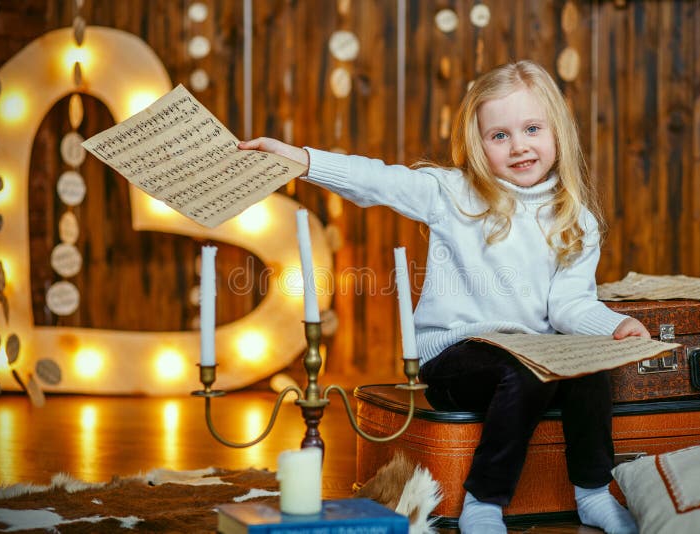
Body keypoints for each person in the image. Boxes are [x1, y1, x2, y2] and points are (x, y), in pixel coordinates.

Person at [239, 60, 648, 534]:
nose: (519, 146)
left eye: (532, 128)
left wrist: (611, 326)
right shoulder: (452, 193)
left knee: (588, 370)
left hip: (534, 354)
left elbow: (569, 305)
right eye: (499, 136)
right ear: (479, 144)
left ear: (557, 131)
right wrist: (302, 159)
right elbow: (378, 180)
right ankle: (483, 502)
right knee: (528, 375)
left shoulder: (575, 218)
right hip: (456, 353)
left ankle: (592, 493)